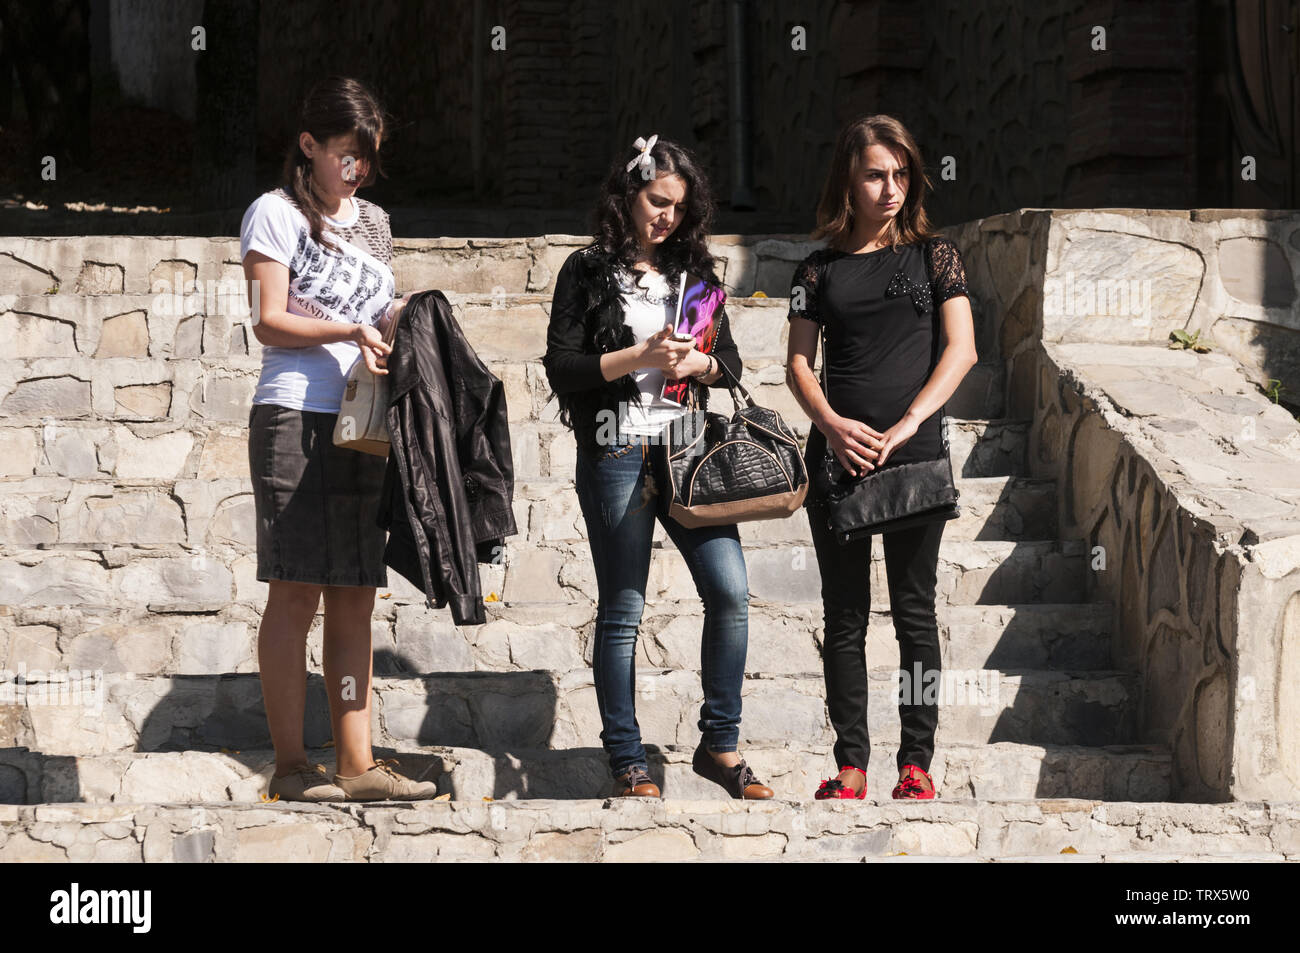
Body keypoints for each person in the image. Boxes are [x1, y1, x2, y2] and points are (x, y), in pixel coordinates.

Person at [543, 134, 773, 800]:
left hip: (686, 449)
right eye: (655, 200)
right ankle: (628, 756)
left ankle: (719, 745)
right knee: (624, 607)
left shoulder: (697, 276)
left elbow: (727, 364)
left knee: (729, 590)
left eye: (678, 204)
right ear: (627, 194)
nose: (666, 216)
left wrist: (698, 362)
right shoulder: (586, 270)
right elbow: (562, 365)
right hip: (616, 451)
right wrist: (640, 357)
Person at [240, 76, 435, 802]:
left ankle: (358, 762)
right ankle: (292, 764)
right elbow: (269, 319)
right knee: (295, 591)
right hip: (293, 413)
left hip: (365, 417)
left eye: (366, 158)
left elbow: (380, 310)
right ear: (309, 145)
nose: (354, 170)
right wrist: (347, 328)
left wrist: (406, 320)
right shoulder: (276, 213)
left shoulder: (376, 222)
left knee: (355, 591)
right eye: (344, 155)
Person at [785, 115, 977, 800]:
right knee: (844, 615)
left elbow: (963, 350)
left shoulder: (936, 257)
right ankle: (852, 764)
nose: (891, 187)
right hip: (839, 460)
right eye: (876, 174)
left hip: (915, 453)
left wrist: (910, 421)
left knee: (915, 611)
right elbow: (799, 365)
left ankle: (916, 762)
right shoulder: (817, 270)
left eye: (901, 174)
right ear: (849, 179)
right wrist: (833, 424)